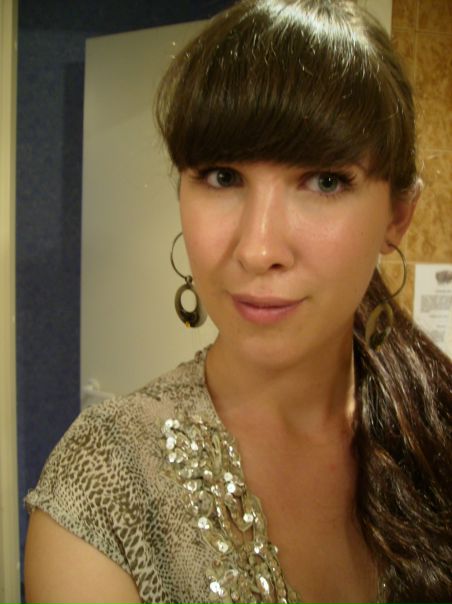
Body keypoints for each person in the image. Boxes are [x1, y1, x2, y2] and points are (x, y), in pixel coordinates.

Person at [24, 1, 452, 603]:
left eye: (324, 181)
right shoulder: (105, 485)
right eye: (223, 177)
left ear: (398, 216)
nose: (258, 249)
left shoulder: (435, 423)